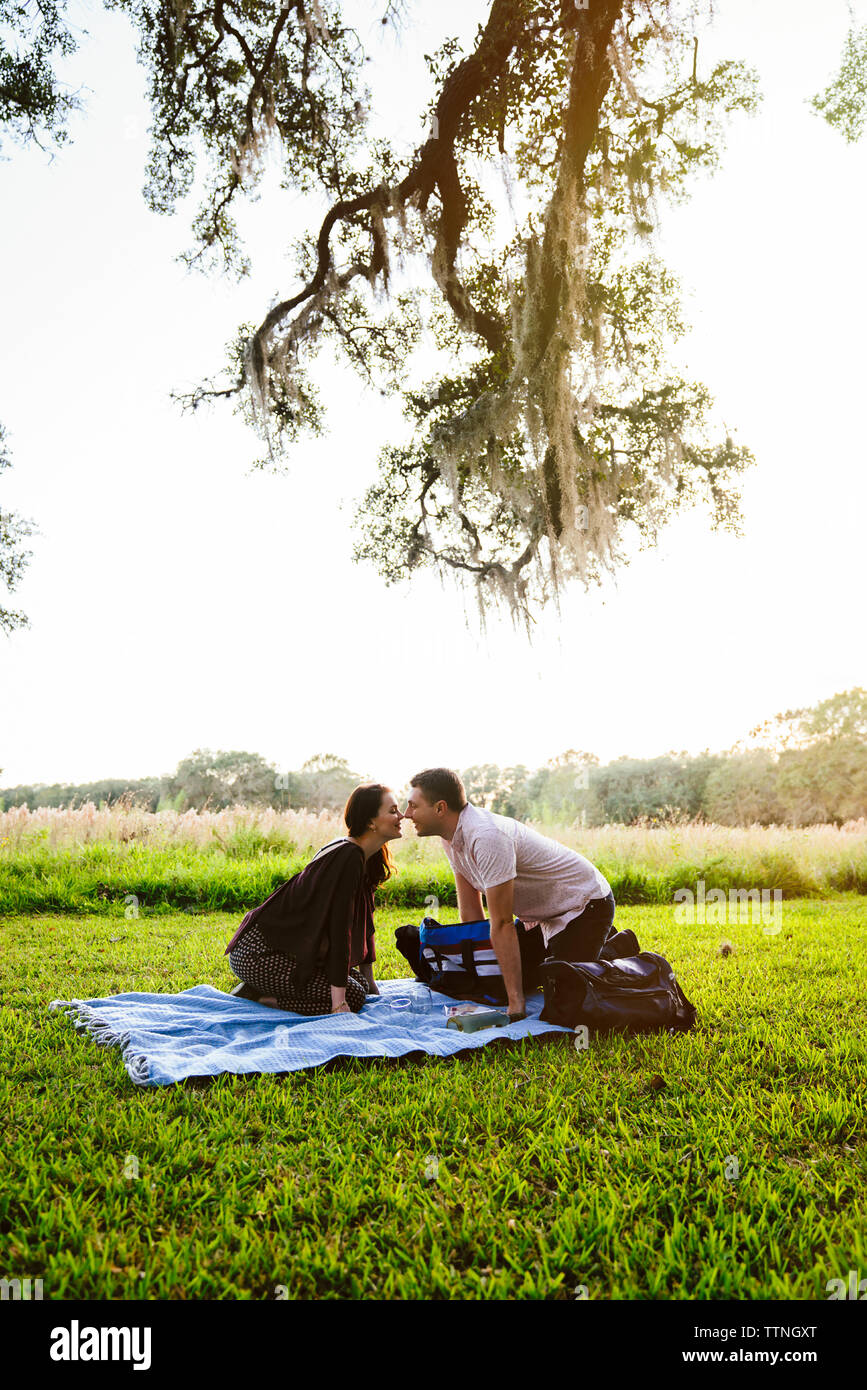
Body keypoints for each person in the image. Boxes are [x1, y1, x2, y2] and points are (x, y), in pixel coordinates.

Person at [403, 768, 623, 1022]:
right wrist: (481, 969)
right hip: (541, 918)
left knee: (563, 1002)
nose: (407, 814)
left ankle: (613, 949)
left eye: (412, 806)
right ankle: (592, 947)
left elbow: (502, 922)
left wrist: (515, 1002)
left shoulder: (487, 836)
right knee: (500, 981)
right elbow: (472, 913)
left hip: (584, 905)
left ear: (440, 808)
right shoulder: (451, 838)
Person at [225, 784, 402, 1015]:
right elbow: (340, 930)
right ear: (371, 822)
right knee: (353, 996)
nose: (402, 816)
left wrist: (371, 983)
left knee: (359, 985)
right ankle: (261, 997)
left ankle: (264, 989)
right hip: (258, 954)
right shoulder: (348, 856)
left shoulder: (366, 857)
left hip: (288, 952)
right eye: (393, 811)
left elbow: (364, 922)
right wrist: (339, 1003)